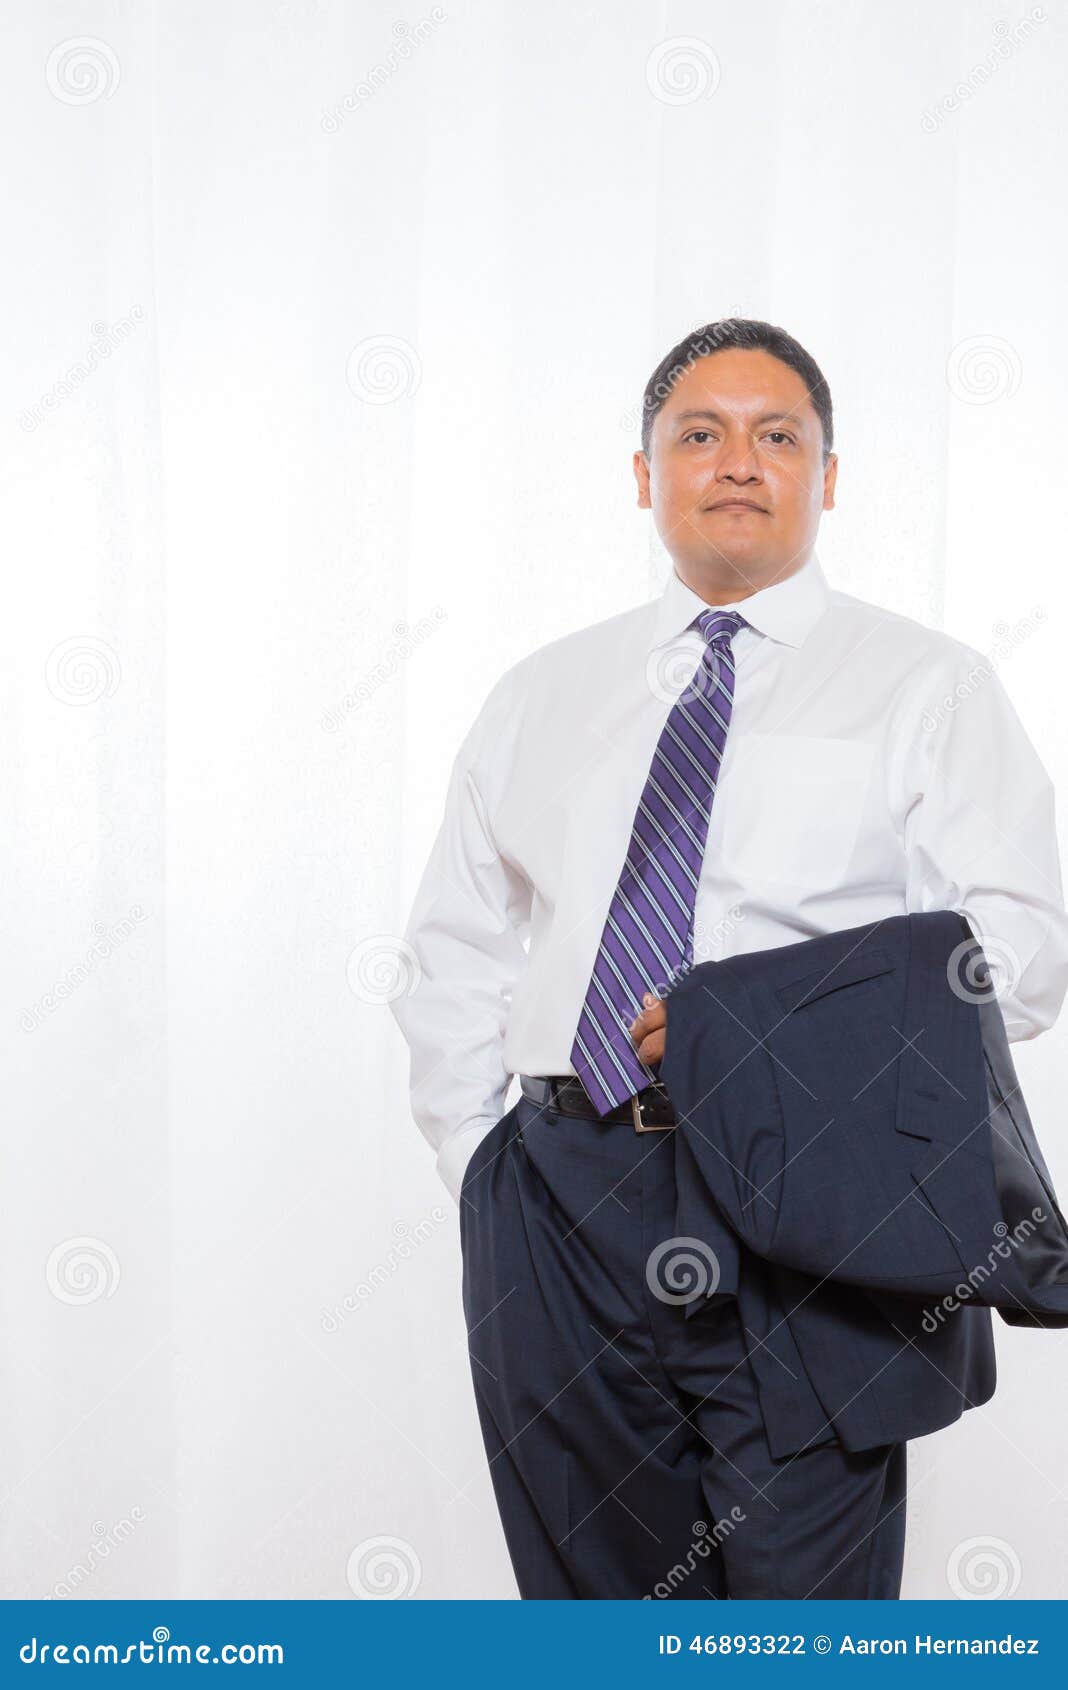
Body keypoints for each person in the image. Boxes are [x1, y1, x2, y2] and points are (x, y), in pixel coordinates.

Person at [389, 318, 1068, 1599]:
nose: (739, 461)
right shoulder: (543, 692)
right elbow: (458, 946)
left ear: (829, 474)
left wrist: (752, 1027)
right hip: (561, 1200)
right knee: (600, 1633)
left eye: (779, 436)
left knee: (803, 1637)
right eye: (699, 434)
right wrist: (482, 1166)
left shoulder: (929, 687)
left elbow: (1019, 959)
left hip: (814, 1196)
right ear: (645, 473)